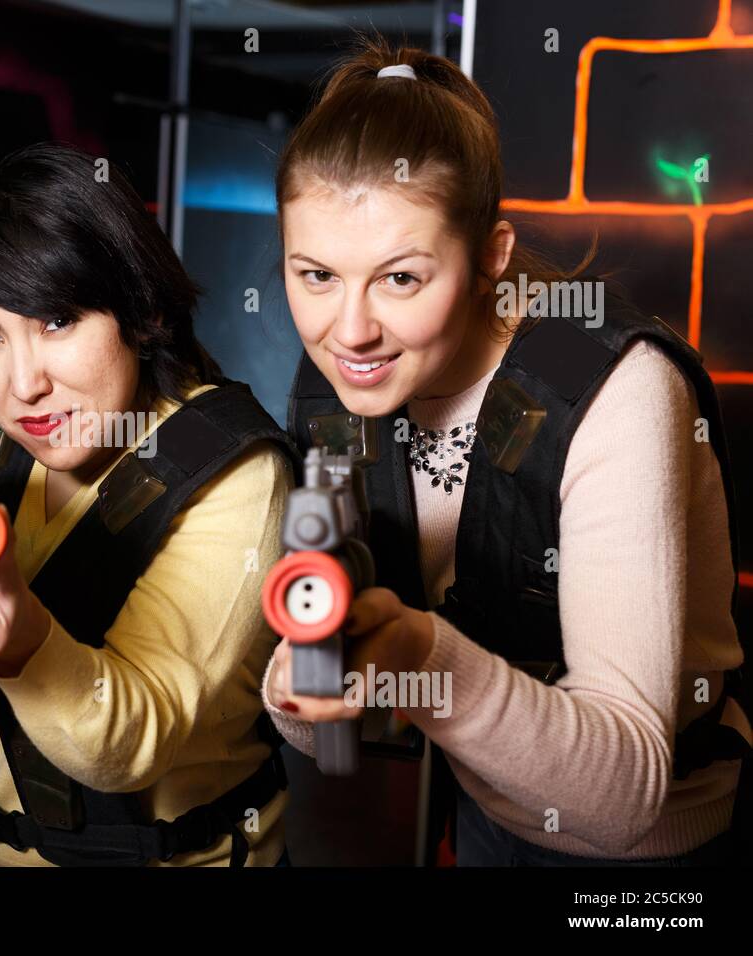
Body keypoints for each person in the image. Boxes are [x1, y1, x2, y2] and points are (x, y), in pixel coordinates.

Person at [262, 38, 750, 865]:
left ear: (491, 255)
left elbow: (625, 795)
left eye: (401, 279)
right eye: (315, 275)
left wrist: (416, 653)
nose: (348, 331)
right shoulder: (338, 391)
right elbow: (345, 730)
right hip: (486, 817)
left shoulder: (616, 390)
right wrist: (302, 688)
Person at [0, 142, 294, 866]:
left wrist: (21, 649)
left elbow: (135, 742)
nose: (24, 383)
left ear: (139, 311)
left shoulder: (235, 471)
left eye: (56, 322)